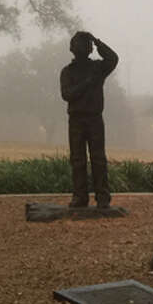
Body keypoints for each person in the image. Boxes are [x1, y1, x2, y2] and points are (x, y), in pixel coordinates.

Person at [59, 30, 119, 208]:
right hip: (76, 120)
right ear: (72, 48)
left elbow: (113, 59)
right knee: (77, 159)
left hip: (94, 119)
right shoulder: (67, 71)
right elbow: (67, 95)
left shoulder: (98, 68)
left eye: (87, 44)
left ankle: (102, 197)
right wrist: (87, 83)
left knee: (98, 158)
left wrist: (98, 41)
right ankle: (80, 196)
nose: (83, 47)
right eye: (79, 44)